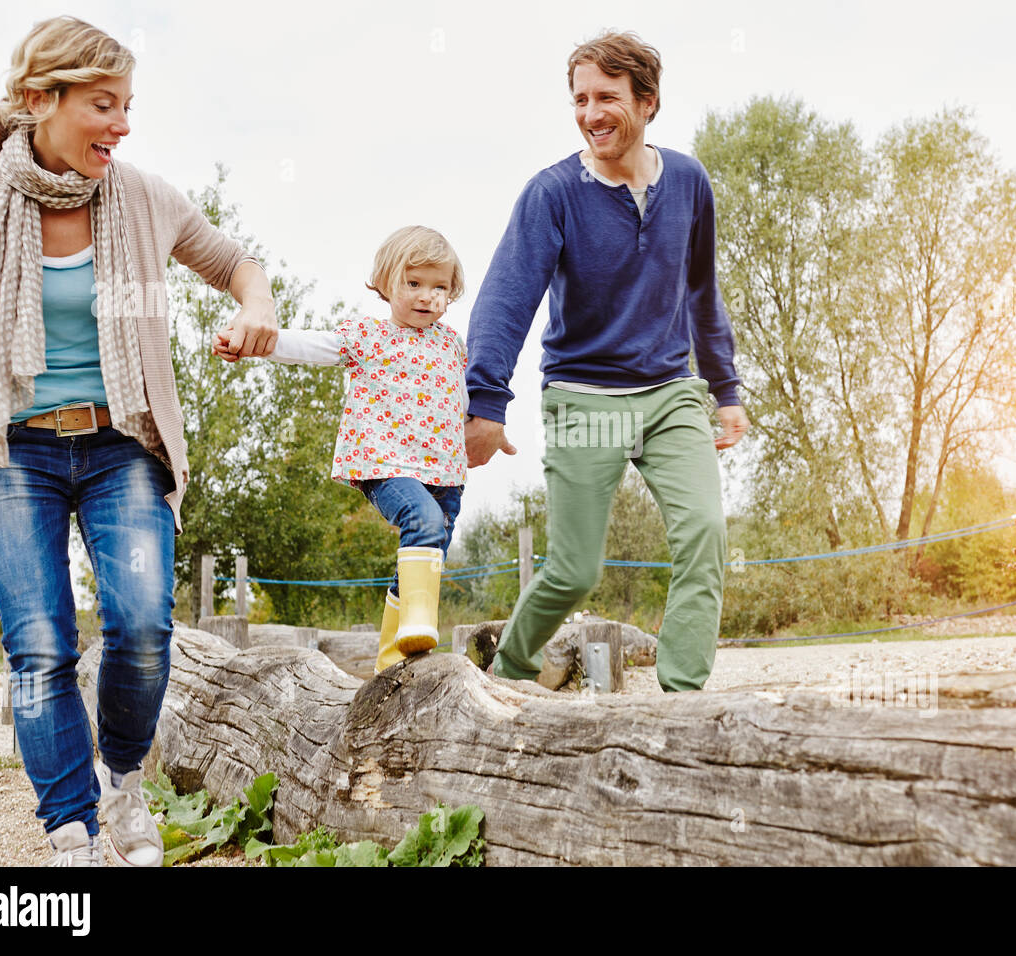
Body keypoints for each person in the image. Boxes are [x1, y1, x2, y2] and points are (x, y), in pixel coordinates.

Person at [0, 17, 278, 866]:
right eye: (104, 104)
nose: (123, 125)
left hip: (122, 443)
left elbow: (239, 262)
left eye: (128, 105)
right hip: (11, 451)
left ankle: (122, 784)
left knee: (142, 625)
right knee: (40, 645)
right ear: (37, 100)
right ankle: (70, 828)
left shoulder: (145, 198)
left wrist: (256, 305)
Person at [465, 31, 750, 693]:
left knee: (705, 532)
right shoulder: (553, 194)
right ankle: (508, 674)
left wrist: (725, 389)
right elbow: (508, 296)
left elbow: (703, 290)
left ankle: (682, 701)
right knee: (572, 570)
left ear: (647, 102)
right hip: (584, 396)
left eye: (606, 97)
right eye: (580, 99)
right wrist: (485, 403)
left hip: (670, 393)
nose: (591, 112)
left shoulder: (688, 181)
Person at [215, 226, 467, 672]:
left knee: (431, 546)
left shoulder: (452, 344)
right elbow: (309, 347)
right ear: (387, 283)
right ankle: (421, 622)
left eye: (439, 287)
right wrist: (254, 343)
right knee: (422, 521)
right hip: (384, 462)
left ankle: (391, 661)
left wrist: (486, 429)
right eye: (414, 283)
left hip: (444, 469)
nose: (427, 296)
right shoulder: (367, 336)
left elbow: (461, 400)